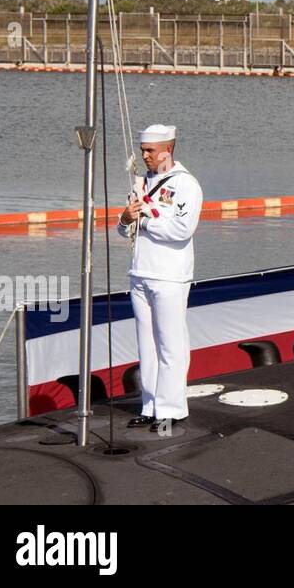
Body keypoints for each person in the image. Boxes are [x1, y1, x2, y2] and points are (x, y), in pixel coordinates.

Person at [118, 124, 203, 433]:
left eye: (150, 151)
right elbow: (124, 229)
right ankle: (151, 405)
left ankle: (172, 409)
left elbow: (182, 230)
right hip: (140, 271)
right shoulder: (140, 183)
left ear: (167, 150)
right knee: (147, 344)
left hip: (169, 275)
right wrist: (126, 218)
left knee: (170, 343)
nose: (145, 156)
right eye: (143, 151)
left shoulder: (186, 185)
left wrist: (146, 221)